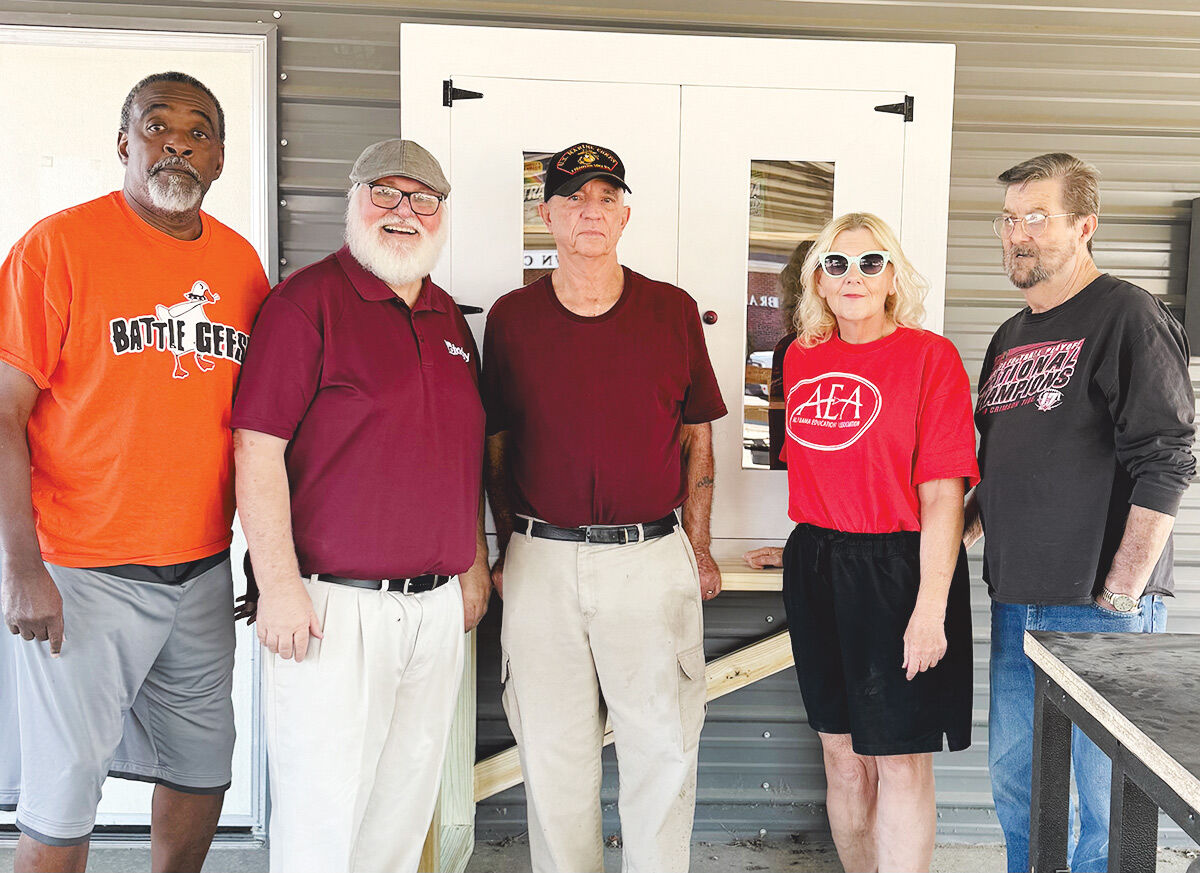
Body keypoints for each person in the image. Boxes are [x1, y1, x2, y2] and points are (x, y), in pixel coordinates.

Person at [0, 72, 269, 873]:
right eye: (156, 126)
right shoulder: (60, 245)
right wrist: (22, 567)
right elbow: (3, 412)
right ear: (124, 143)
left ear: (219, 157)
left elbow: (258, 429)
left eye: (199, 130)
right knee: (63, 796)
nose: (176, 142)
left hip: (199, 573)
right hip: (80, 572)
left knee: (202, 767)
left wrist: (262, 547)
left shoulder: (241, 266)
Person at [230, 139, 491, 873]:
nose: (404, 212)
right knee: (323, 814)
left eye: (423, 199)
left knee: (402, 810)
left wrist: (470, 563)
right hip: (330, 607)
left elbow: (458, 452)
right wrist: (278, 584)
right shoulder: (305, 303)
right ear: (354, 201)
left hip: (435, 608)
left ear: (442, 214)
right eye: (386, 194)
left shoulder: (447, 316)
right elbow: (257, 449)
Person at [482, 142, 726, 873]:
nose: (590, 210)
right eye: (572, 198)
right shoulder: (513, 317)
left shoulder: (671, 309)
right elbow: (494, 448)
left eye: (605, 197)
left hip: (649, 558)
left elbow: (698, 441)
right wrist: (503, 550)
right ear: (546, 214)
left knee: (662, 749)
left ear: (625, 213)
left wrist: (701, 544)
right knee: (554, 757)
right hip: (540, 559)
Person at [966, 153, 1196, 873]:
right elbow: (997, 469)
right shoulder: (1010, 336)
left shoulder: (1128, 313)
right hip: (1017, 603)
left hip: (1100, 607)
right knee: (1019, 786)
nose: (1017, 234)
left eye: (1037, 216)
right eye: (1008, 218)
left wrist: (1121, 589)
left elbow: (1170, 456)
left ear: (1085, 226)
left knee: (1106, 803)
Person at [744, 212, 978, 873]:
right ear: (817, 277)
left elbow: (941, 498)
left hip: (901, 571)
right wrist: (799, 540)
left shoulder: (930, 357)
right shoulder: (798, 355)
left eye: (872, 262)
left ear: (893, 277)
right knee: (842, 757)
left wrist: (930, 609)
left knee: (897, 760)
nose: (853, 276)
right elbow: (827, 467)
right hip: (819, 559)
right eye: (837, 263)